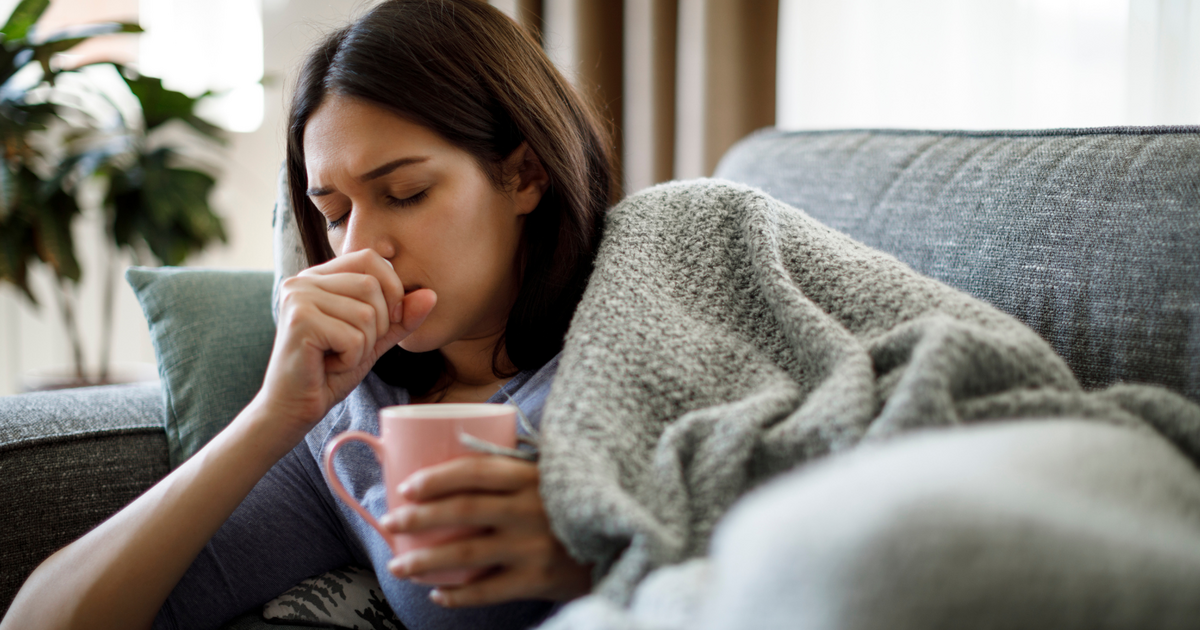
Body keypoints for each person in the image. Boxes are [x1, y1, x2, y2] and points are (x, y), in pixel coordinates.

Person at [2, 1, 613, 629]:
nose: (360, 248)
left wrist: (594, 559)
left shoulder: (635, 350)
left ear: (525, 175)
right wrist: (273, 415)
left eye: (406, 194)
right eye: (336, 214)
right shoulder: (351, 428)